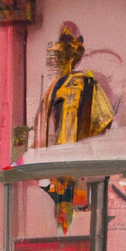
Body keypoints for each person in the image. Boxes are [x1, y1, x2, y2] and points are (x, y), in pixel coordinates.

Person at [33, 25, 115, 232]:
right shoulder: (55, 87)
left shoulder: (85, 82)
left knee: (72, 213)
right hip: (58, 168)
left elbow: (102, 123)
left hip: (73, 168)